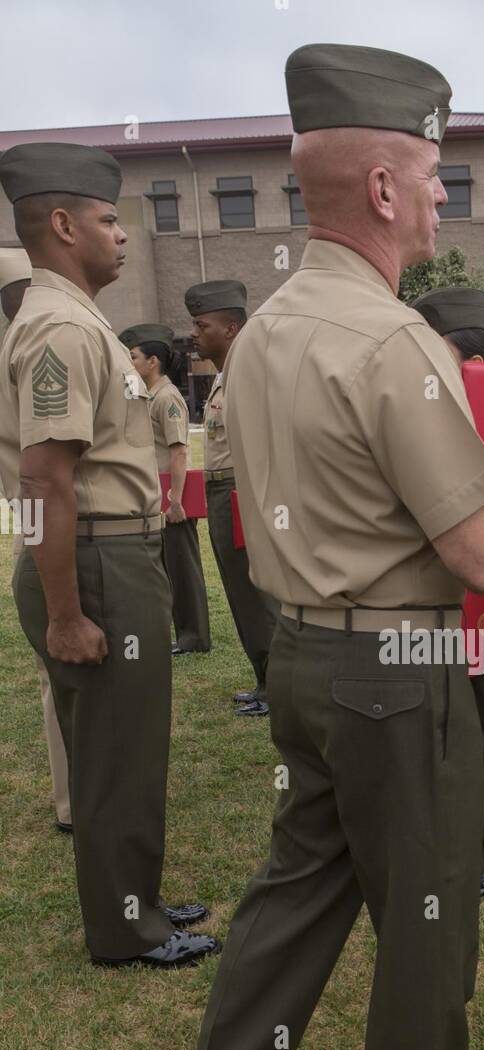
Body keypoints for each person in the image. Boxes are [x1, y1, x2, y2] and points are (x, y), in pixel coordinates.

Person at [153, 43, 484, 1050]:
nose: (438, 196)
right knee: (424, 910)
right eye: (431, 174)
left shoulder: (259, 331)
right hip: (396, 662)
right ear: (379, 188)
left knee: (298, 890)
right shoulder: (391, 337)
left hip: (308, 653)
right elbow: (476, 551)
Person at [0, 142, 218, 968]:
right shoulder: (59, 325)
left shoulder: (77, 316)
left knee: (128, 747)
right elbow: (46, 477)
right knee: (115, 757)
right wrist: (64, 614)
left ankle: (141, 900)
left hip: (112, 554)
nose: (123, 235)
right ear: (61, 225)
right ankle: (127, 929)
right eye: (106, 220)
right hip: (93, 559)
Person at [412, 286, 484, 899]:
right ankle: (455, 834)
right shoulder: (441, 405)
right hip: (435, 596)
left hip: (482, 598)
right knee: (441, 722)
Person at [1, 245, 71, 833]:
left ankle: (74, 801)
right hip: (49, 527)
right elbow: (43, 477)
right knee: (69, 680)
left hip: (31, 524)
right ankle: (77, 804)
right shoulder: (38, 342)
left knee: (61, 681)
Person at [184, 281, 278, 715]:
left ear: (231, 327)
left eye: (202, 325)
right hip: (223, 489)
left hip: (241, 492)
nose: (194, 334)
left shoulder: (248, 371)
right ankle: (265, 679)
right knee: (241, 593)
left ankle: (277, 686)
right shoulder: (227, 375)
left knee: (256, 592)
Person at [118, 322, 211, 654]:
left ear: (152, 361)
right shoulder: (149, 394)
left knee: (183, 570)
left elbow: (179, 451)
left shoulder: (167, 397)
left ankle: (194, 638)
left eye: (134, 357)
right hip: (159, 495)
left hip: (174, 498)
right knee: (169, 568)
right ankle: (185, 634)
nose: (130, 364)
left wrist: (175, 501)